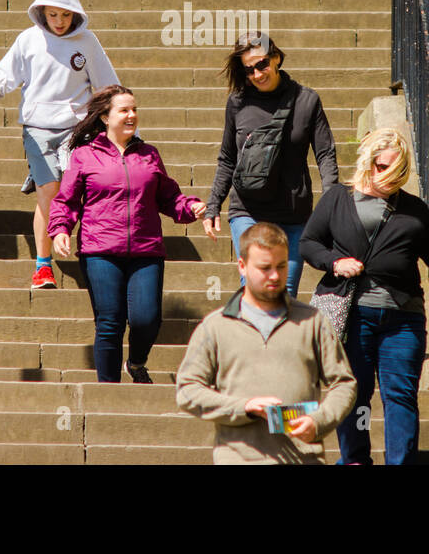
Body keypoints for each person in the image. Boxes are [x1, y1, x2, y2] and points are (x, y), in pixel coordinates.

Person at [301, 128, 429, 465]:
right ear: (368, 162)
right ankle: (355, 459)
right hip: (354, 314)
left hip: (403, 319)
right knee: (356, 396)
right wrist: (335, 262)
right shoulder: (338, 199)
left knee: (400, 397)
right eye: (382, 167)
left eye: (397, 171)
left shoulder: (413, 209)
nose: (388, 177)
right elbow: (309, 243)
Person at [48, 86, 206, 382]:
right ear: (105, 118)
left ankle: (135, 362)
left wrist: (190, 207)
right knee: (109, 322)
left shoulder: (148, 154)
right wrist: (60, 229)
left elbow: (168, 197)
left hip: (146, 251)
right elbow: (67, 199)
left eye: (134, 109)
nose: (131, 115)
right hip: (100, 250)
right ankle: (107, 393)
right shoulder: (84, 156)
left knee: (147, 319)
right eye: (124, 110)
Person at [175, 222, 357, 464]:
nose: (274, 276)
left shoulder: (313, 321)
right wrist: (245, 406)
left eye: (281, 266)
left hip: (303, 458)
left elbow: (344, 383)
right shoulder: (215, 326)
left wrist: (319, 420)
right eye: (264, 268)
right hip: (238, 458)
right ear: (242, 266)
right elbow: (188, 390)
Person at [0, 0, 118, 289]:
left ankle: (91, 254)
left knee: (77, 192)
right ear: (42, 12)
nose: (58, 22)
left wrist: (119, 116)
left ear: (75, 14)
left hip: (77, 127)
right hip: (37, 127)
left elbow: (106, 83)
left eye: (65, 15)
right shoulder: (29, 39)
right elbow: (7, 71)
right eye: (52, 15)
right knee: (48, 193)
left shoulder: (87, 42)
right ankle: (43, 266)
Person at [202, 32, 338, 298]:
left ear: (276, 58)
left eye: (262, 64)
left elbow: (325, 155)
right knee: (255, 291)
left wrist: (331, 203)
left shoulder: (306, 101)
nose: (257, 74)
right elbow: (228, 157)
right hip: (248, 210)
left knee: (284, 296)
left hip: (293, 213)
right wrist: (213, 206)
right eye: (249, 69)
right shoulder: (238, 102)